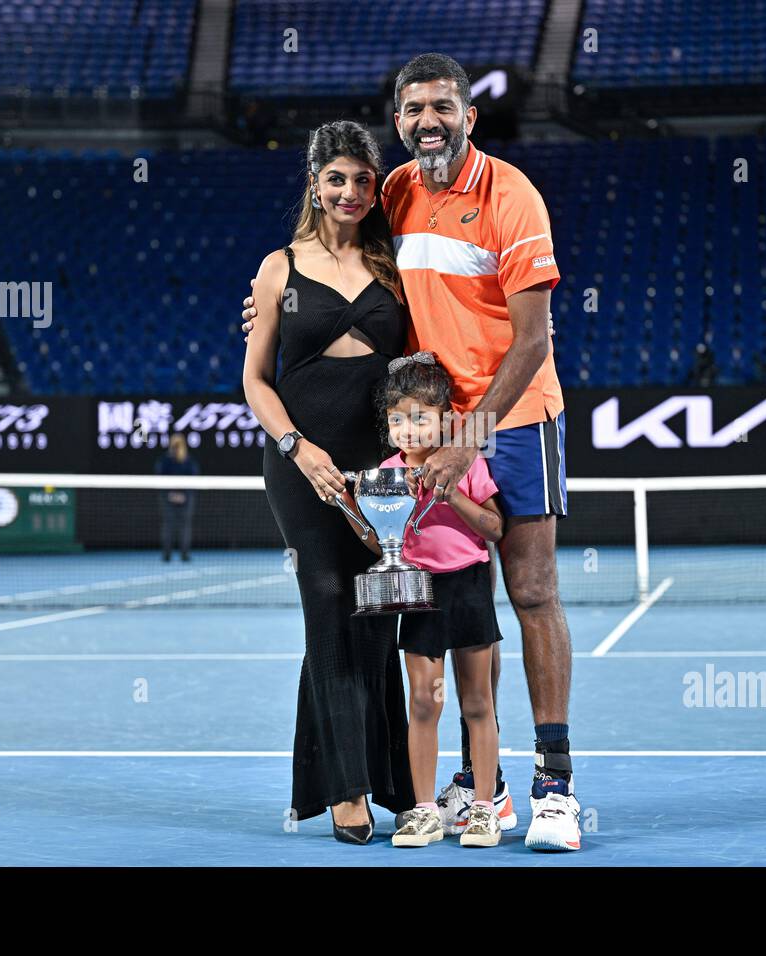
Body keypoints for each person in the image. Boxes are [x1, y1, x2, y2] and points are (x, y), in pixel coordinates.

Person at [244, 53, 580, 851]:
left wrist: (467, 442)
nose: (428, 121)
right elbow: (339, 269)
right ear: (398, 122)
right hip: (419, 436)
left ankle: (556, 785)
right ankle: (481, 789)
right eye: (414, 110)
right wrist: (270, 314)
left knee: (530, 592)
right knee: (458, 610)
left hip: (513, 420)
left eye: (443, 106)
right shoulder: (394, 191)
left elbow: (531, 345)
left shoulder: (512, 195)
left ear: (470, 113)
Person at [241, 119, 414, 844]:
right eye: (335, 178)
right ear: (314, 182)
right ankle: (348, 790)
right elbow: (255, 381)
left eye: (362, 180)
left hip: (381, 475)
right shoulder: (277, 268)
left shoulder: (394, 265)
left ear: (376, 189)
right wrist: (297, 448)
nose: (349, 192)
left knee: (376, 622)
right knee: (324, 606)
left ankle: (396, 780)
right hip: (301, 468)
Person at [337, 351, 506, 847]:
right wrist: (350, 506)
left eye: (419, 418)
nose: (407, 429)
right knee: (423, 704)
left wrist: (452, 492)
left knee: (478, 703)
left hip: (469, 588)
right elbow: (379, 541)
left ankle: (483, 809)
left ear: (446, 419)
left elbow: (495, 528)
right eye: (397, 420)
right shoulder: (386, 472)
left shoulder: (464, 460)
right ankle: (425, 810)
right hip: (418, 593)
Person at [156, 433, 198, 562]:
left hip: (186, 497)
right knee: (169, 526)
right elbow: (160, 475)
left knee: (184, 526)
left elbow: (193, 476)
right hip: (168, 497)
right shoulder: (165, 460)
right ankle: (167, 554)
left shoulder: (189, 461)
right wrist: (172, 494)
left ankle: (184, 554)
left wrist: (182, 494)